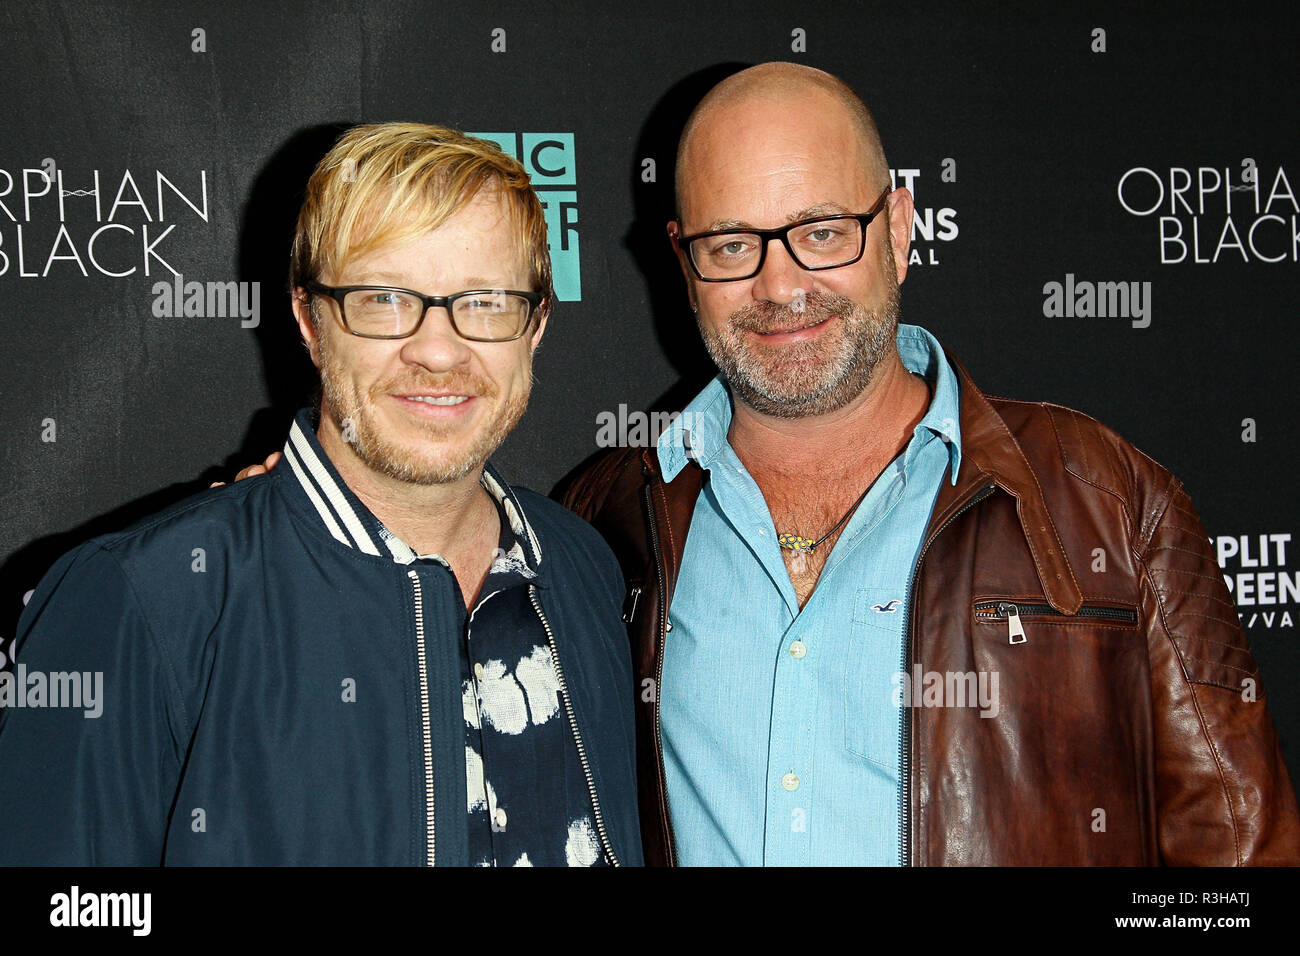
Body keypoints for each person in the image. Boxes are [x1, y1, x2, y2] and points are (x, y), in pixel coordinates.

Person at [562, 63, 1300, 865]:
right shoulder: (605, 520)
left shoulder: (1108, 500)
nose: (779, 284)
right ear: (683, 261)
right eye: (731, 243)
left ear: (901, 228)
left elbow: (1238, 858)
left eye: (821, 231)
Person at [0, 123, 642, 867]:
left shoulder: (581, 566)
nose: (438, 350)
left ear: (536, 325)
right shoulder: (143, 598)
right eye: (383, 299)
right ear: (308, 318)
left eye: (486, 300)